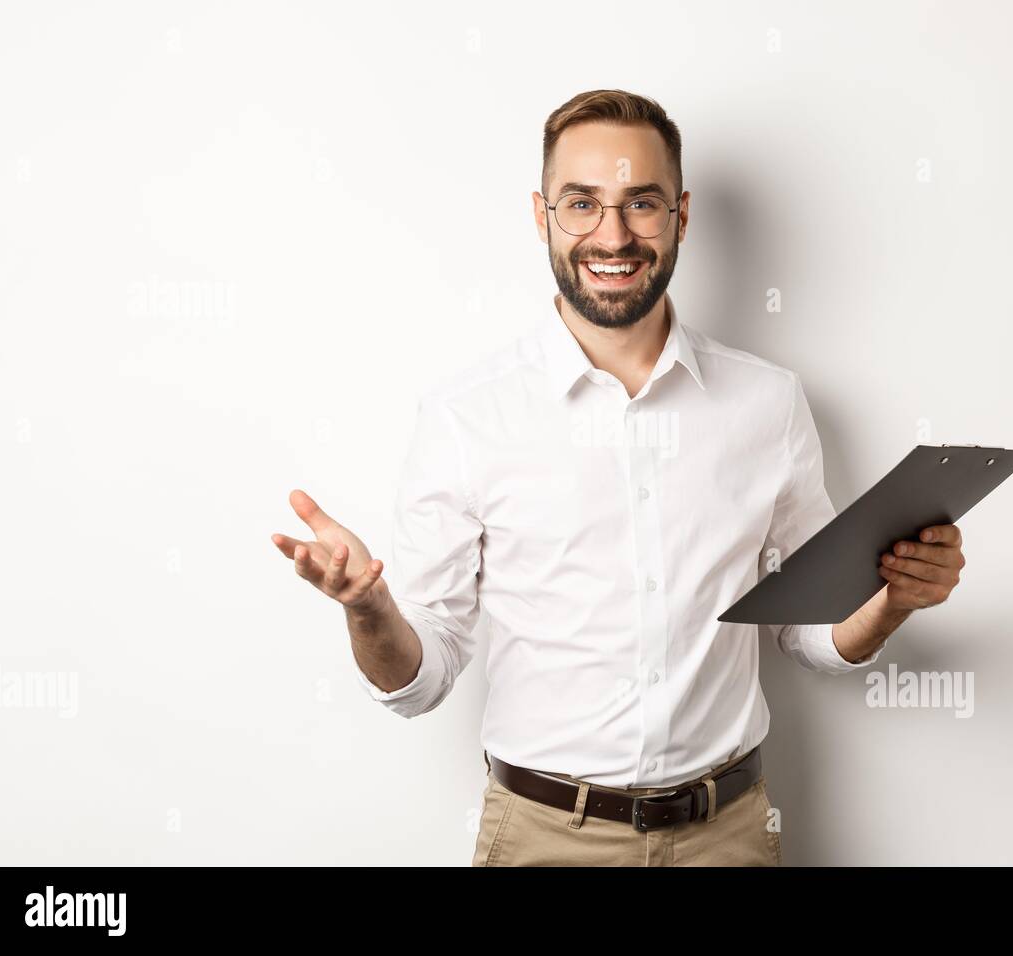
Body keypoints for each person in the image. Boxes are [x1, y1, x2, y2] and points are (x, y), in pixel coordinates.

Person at [271, 89, 966, 866]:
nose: (613, 234)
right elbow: (421, 680)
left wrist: (891, 602)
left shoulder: (769, 404)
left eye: (642, 203)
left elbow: (807, 631)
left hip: (729, 837)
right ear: (542, 216)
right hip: (541, 839)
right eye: (581, 203)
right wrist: (368, 610)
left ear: (681, 216)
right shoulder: (467, 418)